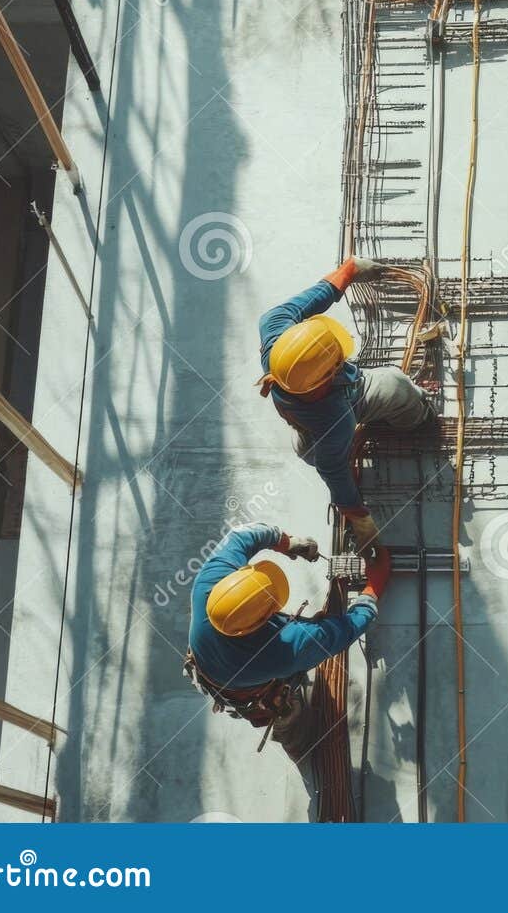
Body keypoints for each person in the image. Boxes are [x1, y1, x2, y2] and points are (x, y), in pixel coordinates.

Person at [259, 257, 434, 548]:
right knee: (397, 385)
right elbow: (333, 470)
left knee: (309, 449)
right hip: (343, 410)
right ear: (326, 378)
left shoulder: (276, 333)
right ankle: (420, 417)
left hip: (307, 427)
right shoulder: (335, 417)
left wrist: (348, 271)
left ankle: (319, 443)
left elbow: (317, 294)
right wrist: (358, 515)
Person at [184, 523, 389, 756]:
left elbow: (244, 535)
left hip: (209, 663)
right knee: (285, 713)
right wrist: (372, 591)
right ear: (259, 622)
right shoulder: (284, 651)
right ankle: (292, 736)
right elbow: (343, 631)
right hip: (244, 687)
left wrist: (288, 543)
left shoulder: (208, 584)